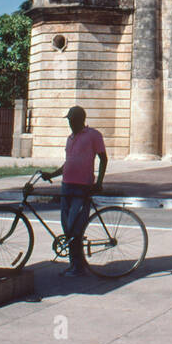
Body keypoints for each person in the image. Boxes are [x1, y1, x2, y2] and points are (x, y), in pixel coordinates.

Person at [41, 106, 108, 277]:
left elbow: (103, 158)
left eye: (72, 119)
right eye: (69, 120)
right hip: (67, 185)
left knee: (75, 227)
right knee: (67, 228)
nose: (70, 123)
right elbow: (68, 163)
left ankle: (78, 267)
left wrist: (99, 181)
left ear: (80, 119)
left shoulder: (93, 135)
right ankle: (74, 264)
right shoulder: (70, 138)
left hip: (82, 186)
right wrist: (53, 174)